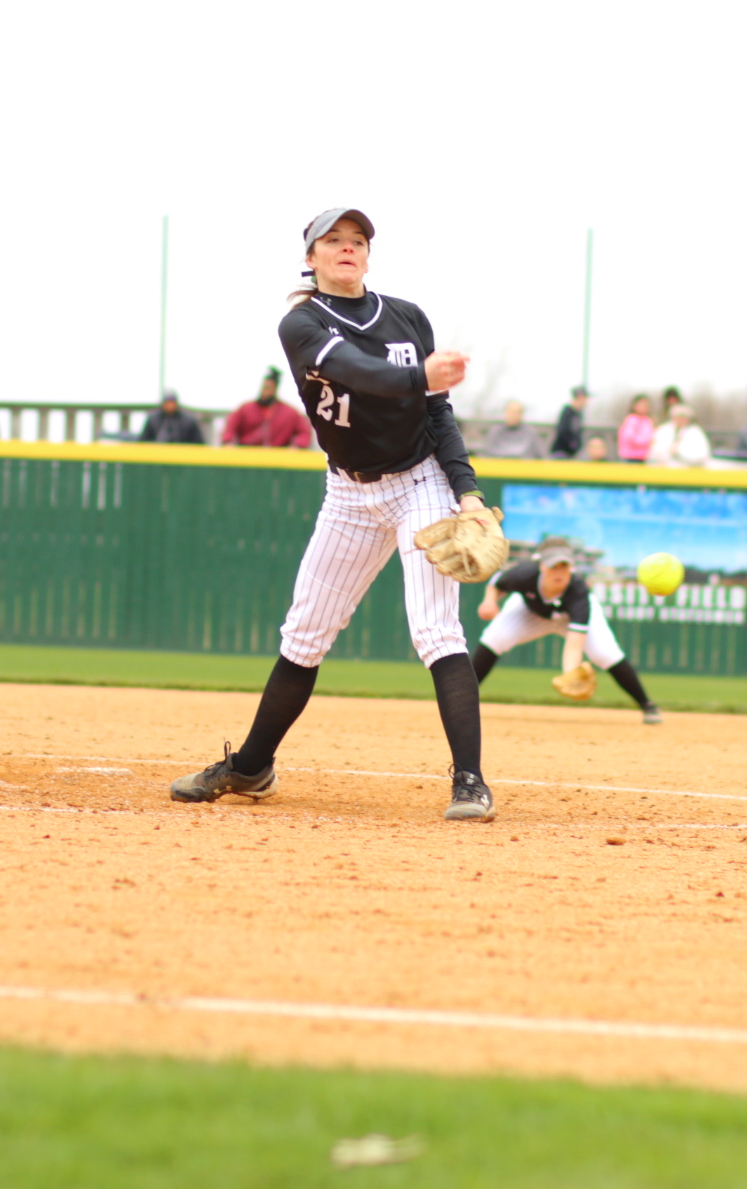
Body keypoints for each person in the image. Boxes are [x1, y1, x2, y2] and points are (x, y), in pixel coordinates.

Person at [169, 206, 501, 822]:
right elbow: (356, 372)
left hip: (418, 483)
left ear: (368, 256)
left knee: (436, 630)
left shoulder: (407, 317)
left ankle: (471, 782)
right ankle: (251, 768)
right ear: (312, 256)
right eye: (334, 240)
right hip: (348, 493)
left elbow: (438, 416)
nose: (348, 248)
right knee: (305, 632)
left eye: (358, 241)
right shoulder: (300, 323)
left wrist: (468, 492)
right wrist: (418, 373)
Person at [474, 538, 660, 723]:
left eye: (564, 566)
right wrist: (489, 602)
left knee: (605, 653)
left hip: (568, 619)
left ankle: (647, 704)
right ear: (542, 566)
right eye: (553, 566)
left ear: (571, 567)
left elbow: (574, 644)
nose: (559, 572)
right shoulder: (524, 574)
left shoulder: (579, 592)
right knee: (495, 638)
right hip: (531, 612)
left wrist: (570, 673)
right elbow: (496, 583)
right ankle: (464, 697)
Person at [220, 367, 312, 447]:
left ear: (275, 389)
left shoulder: (290, 413)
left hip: (278, 458)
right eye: (264, 388)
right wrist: (228, 442)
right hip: (247, 456)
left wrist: (297, 446)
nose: (265, 392)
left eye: (268, 388)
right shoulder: (245, 409)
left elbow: (304, 433)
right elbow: (230, 428)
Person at [648, 402, 710, 468]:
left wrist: (680, 453)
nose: (680, 420)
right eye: (678, 417)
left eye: (683, 417)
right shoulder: (663, 431)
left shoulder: (696, 433)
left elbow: (702, 456)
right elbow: (654, 451)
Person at [139, 391, 206, 443]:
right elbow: (143, 442)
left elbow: (199, 443)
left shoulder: (189, 421)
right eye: (168, 402)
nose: (170, 405)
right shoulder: (153, 419)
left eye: (172, 402)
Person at [549, 385, 588, 457]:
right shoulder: (567, 413)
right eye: (584, 399)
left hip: (572, 454)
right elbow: (562, 432)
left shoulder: (578, 414)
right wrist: (572, 445)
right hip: (561, 453)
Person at [617, 394, 654, 463]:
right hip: (631, 456)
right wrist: (646, 442)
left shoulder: (647, 421)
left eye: (645, 405)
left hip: (644, 457)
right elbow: (631, 437)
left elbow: (651, 435)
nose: (643, 407)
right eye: (641, 405)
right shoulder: (631, 420)